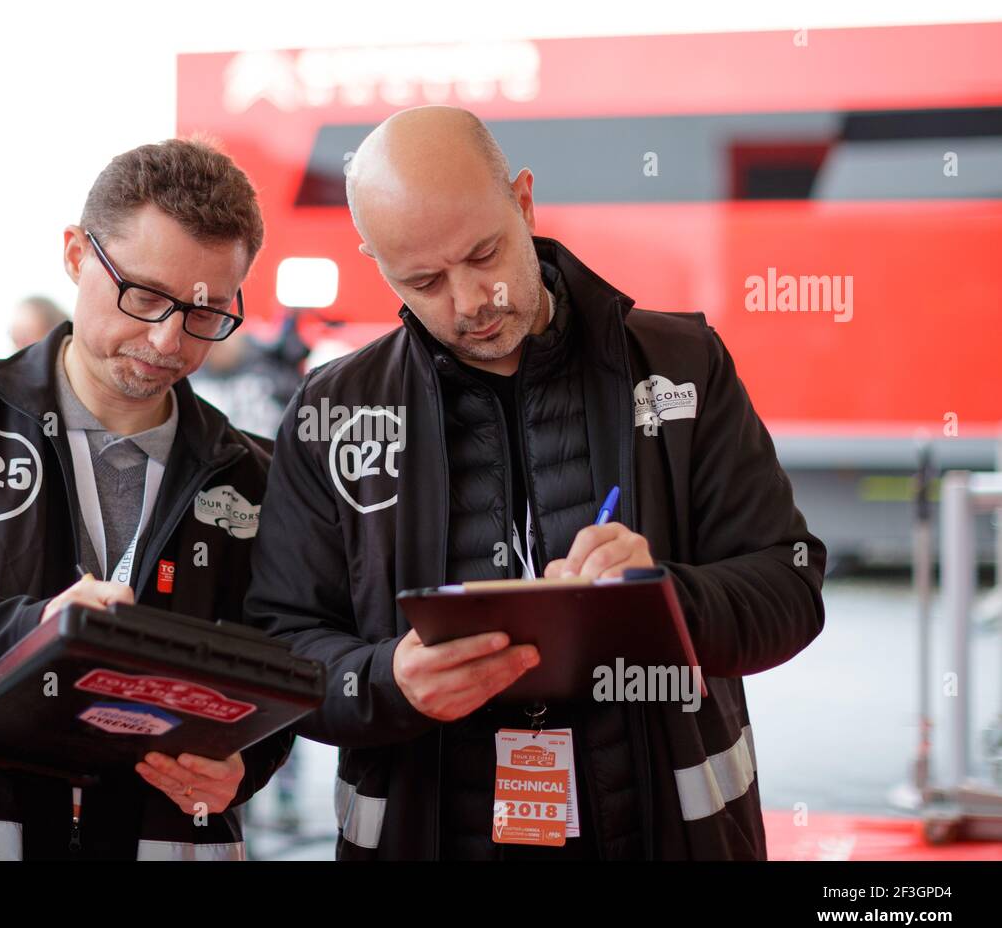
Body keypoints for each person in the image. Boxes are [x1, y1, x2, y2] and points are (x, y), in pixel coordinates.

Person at [244, 106, 826, 860]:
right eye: (423, 279)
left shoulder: (682, 366)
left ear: (523, 200)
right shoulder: (333, 412)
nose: (468, 302)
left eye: (484, 253)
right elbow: (281, 646)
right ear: (374, 260)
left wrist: (665, 599)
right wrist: (391, 681)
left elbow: (792, 587)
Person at [0, 139, 290, 860]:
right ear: (75, 254)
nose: (167, 339)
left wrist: (244, 768)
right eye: (145, 295)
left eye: (206, 311)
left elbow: (285, 666)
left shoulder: (251, 472)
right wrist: (30, 632)